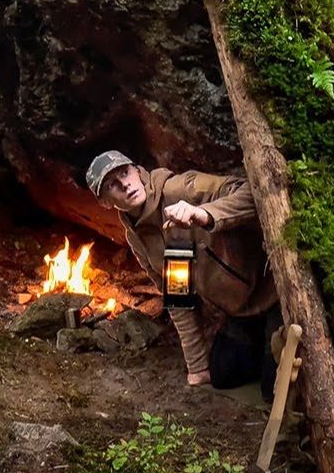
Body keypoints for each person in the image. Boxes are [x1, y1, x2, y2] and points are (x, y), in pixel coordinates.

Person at [85, 150, 282, 400]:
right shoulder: (138, 238)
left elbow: (253, 193)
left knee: (272, 391)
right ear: (104, 202)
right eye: (112, 184)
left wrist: (205, 214)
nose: (125, 184)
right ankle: (264, 348)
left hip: (273, 294)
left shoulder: (182, 189)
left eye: (125, 173)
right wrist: (196, 366)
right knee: (222, 376)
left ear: (137, 170)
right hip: (240, 312)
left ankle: (274, 347)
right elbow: (178, 296)